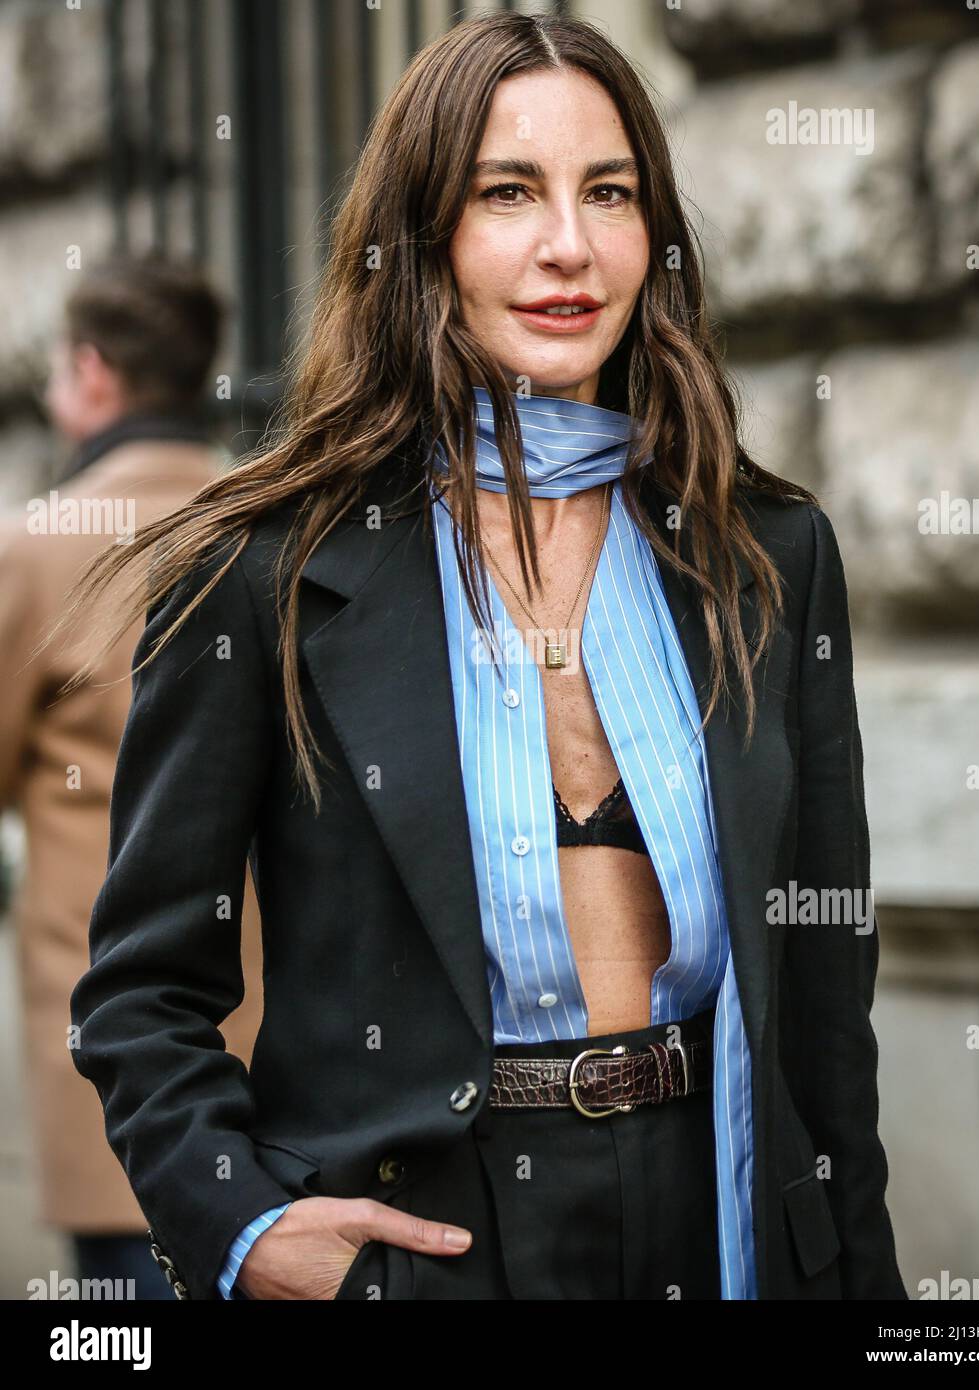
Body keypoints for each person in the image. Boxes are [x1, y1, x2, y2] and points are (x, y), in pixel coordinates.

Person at [65, 13, 906, 1301]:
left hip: (720, 1215)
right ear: (419, 239)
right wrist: (243, 1231)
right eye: (506, 192)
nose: (567, 245)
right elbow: (142, 988)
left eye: (608, 193)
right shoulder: (264, 573)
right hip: (427, 1247)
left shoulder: (768, 554)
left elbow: (827, 1001)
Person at [0, 254, 265, 1299]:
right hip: (283, 1072)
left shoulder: (36, 548)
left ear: (96, 374)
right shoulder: (267, 522)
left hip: (119, 1088)